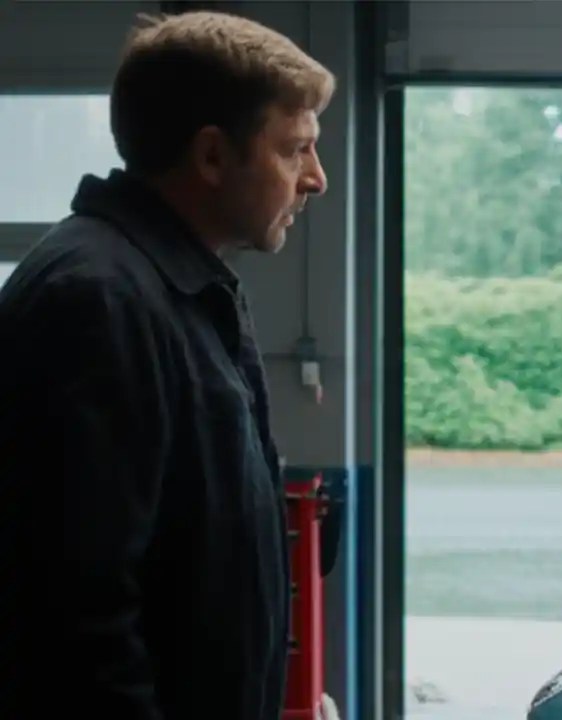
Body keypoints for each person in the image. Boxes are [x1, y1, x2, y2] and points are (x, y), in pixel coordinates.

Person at [0, 11, 331, 719]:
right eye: (295, 149)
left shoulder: (179, 286)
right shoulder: (96, 301)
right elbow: (77, 617)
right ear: (212, 157)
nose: (317, 179)